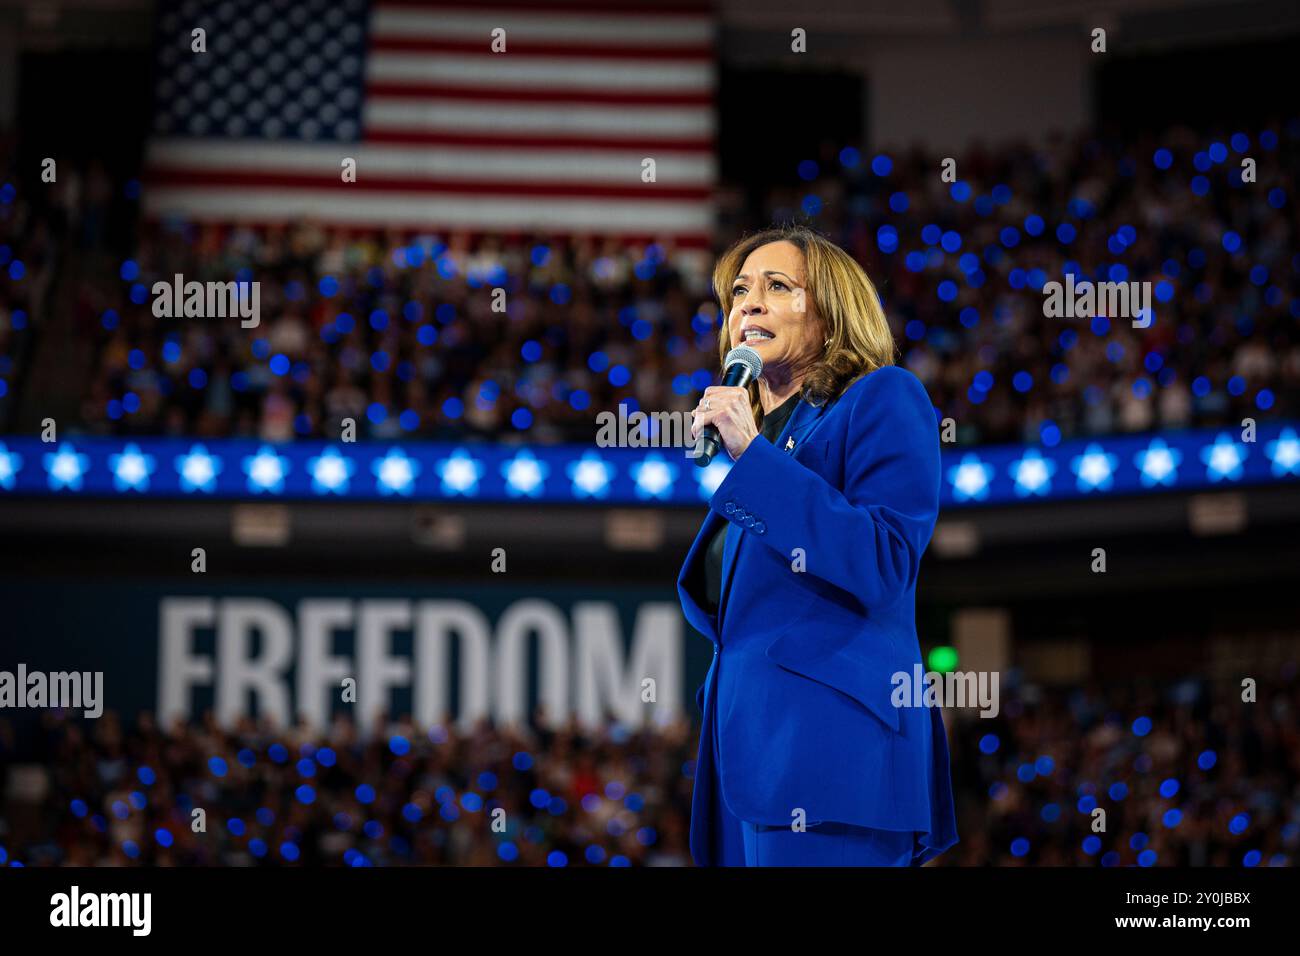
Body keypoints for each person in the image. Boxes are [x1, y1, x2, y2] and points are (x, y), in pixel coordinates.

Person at [679, 225, 958, 866]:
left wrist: (752, 456)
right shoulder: (768, 444)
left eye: (777, 286)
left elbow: (883, 559)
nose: (749, 303)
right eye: (739, 292)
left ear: (831, 313)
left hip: (832, 760)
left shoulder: (882, 397)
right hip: (748, 767)